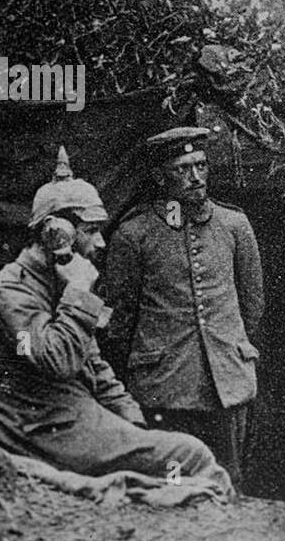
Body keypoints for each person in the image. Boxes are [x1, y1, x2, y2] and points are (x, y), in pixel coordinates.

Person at [0, 147, 232, 498]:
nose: (100, 242)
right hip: (33, 422)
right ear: (57, 232)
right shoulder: (10, 292)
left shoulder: (57, 282)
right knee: (188, 455)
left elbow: (94, 364)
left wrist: (130, 419)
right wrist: (78, 292)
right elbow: (56, 360)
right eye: (90, 231)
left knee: (176, 450)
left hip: (68, 415)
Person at [101, 127, 265, 489]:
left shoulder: (234, 225)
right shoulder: (135, 234)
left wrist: (236, 353)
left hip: (225, 379)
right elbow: (121, 316)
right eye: (182, 169)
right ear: (160, 177)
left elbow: (252, 303)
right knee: (170, 480)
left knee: (226, 476)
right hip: (164, 383)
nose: (195, 178)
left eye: (201, 166)